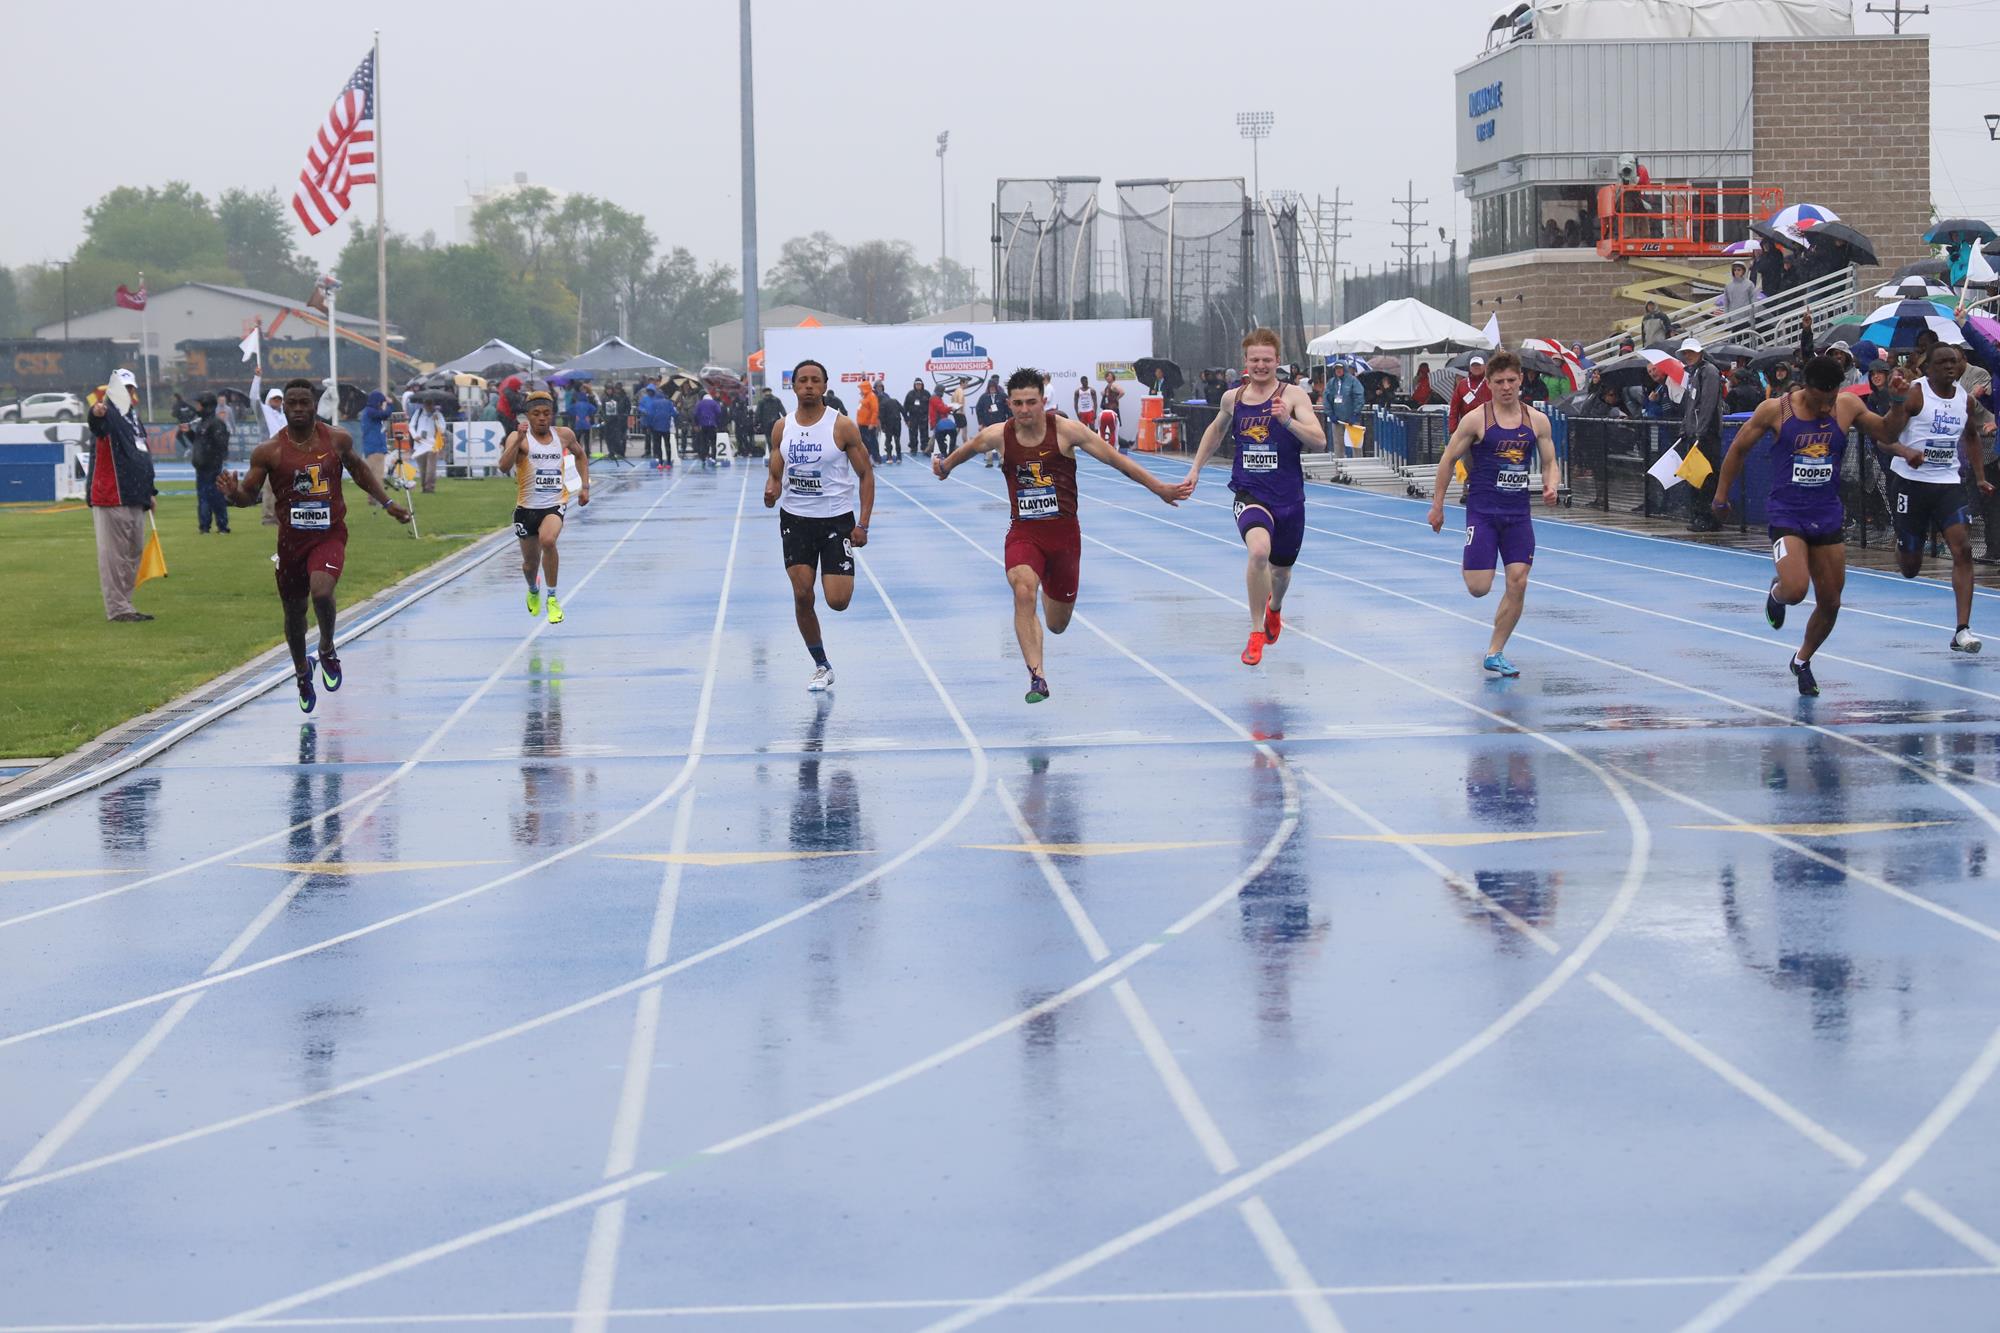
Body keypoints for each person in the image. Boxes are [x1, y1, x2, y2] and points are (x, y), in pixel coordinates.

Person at [933, 368, 1185, 703]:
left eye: (1031, 402)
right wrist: (946, 467)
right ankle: (1037, 676)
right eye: (1018, 403)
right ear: (1009, 403)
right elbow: (972, 447)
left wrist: (1160, 489)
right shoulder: (999, 435)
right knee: (1023, 589)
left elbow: (1116, 461)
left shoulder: (1066, 432)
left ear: (1044, 401)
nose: (1024, 410)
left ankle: (1050, 622)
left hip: (1064, 539)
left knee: (1057, 624)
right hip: (1024, 533)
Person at [1715, 355, 1921, 695]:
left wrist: (1898, 403)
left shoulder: (1847, 405)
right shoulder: (1775, 410)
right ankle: (1776, 593)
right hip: (1787, 514)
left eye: (1832, 398)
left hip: (1826, 513)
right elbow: (1737, 450)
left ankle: (1802, 660)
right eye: (1821, 400)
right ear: (1805, 389)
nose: (1828, 407)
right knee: (1796, 590)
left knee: (1831, 603)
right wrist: (1721, 496)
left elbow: (1886, 431)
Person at [217, 379, 411, 712]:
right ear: (284, 406)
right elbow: (248, 495)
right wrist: (234, 495)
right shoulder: (269, 451)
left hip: (328, 534)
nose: (297, 409)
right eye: (291, 403)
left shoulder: (336, 440)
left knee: (321, 591)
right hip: (292, 542)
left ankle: (326, 646)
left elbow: (361, 471)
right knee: (294, 614)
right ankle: (301, 671)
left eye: (303, 402)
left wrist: (387, 502)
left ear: (314, 404)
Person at [1179, 328, 1327, 665]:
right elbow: (1215, 431)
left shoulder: (1292, 397)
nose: (1261, 365)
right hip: (1250, 491)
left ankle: (1274, 608)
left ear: (1277, 361)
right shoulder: (1234, 398)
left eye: (1267, 360)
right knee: (1258, 552)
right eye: (1254, 360)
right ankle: (1256, 631)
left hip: (1288, 497)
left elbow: (1319, 441)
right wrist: (1195, 469)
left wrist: (1287, 422)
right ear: (1245, 362)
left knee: (1281, 573)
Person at [1425, 350, 1559, 677]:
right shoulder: (1476, 419)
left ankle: (1495, 651)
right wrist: (1438, 505)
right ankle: (1475, 557)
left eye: (1512, 380)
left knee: (1518, 581)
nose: (1506, 387)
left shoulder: (1536, 421)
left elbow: (1549, 461)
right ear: (1489, 384)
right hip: (1483, 513)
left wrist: (1551, 485)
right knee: (1479, 587)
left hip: (1517, 516)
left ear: (1520, 380)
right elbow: (1447, 461)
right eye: (1499, 382)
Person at [765, 359, 874, 692]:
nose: (809, 385)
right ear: (794, 386)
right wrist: (772, 489)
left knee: (838, 602)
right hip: (795, 520)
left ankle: (837, 581)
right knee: (801, 595)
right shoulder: (782, 428)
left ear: (824, 386)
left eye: (815, 380)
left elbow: (866, 474)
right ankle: (821, 664)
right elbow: (775, 471)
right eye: (803, 380)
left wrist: (863, 524)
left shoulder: (841, 427)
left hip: (835, 521)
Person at [1879, 342, 1989, 651]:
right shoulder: (1915, 394)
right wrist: (1906, 451)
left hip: (1947, 483)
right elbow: (1885, 437)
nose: (1949, 367)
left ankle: (1962, 629)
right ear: (1929, 368)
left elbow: (1971, 436)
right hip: (1910, 483)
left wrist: (1980, 478)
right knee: (1911, 567)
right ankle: (1905, 542)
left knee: (1963, 549)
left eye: (1953, 362)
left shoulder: (1964, 401)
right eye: (1942, 363)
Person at [500, 388, 592, 625]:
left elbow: (581, 456)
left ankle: (552, 598)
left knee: (548, 540)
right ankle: (533, 588)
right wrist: (518, 441)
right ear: (528, 416)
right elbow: (503, 466)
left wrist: (584, 486)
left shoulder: (564, 435)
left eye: (547, 413)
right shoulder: (517, 437)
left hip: (554, 504)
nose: (542, 418)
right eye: (537, 414)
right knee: (530, 565)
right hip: (525, 509)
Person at [85, 369, 160, 622]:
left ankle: (125, 603)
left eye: (130, 388)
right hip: (112, 494)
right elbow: (96, 423)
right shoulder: (108, 413)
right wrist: (94, 414)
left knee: (133, 551)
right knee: (114, 555)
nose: (126, 393)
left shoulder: (133, 419)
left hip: (135, 494)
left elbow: (142, 457)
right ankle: (117, 608)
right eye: (122, 388)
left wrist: (150, 492)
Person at [1679, 337, 1724, 531]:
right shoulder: (1694, 373)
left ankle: (1709, 517)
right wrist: (1685, 427)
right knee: (1695, 477)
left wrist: (1701, 430)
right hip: (1696, 433)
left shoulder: (1709, 372)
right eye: (1685, 353)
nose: (1687, 356)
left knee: (1707, 478)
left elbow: (1708, 403)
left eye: (1690, 352)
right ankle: (1699, 515)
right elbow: (1690, 405)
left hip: (1706, 434)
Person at [189, 391, 232, 535]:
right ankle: (204, 526)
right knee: (204, 498)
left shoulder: (215, 423)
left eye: (199, 405)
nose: (197, 408)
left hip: (212, 468)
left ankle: (222, 526)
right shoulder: (203, 423)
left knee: (215, 497)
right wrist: (189, 433)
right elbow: (199, 443)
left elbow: (221, 445)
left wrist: (215, 461)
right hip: (202, 468)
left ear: (206, 406)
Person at [408, 394, 447, 493]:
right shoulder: (419, 412)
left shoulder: (438, 414)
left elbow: (442, 430)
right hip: (419, 444)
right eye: (427, 404)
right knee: (422, 468)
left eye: (430, 404)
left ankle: (430, 487)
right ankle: (424, 487)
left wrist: (436, 421)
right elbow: (411, 426)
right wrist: (414, 435)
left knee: (431, 468)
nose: (428, 406)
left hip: (432, 444)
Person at [1445, 355, 1489, 434]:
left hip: (1487, 426)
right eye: (1473, 365)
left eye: (1478, 365)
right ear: (1469, 367)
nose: (1476, 367)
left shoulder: (1490, 382)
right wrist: (1452, 429)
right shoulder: (1462, 384)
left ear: (1484, 366)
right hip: (1467, 427)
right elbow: (1454, 408)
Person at [1324, 361, 1364, 448]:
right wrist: (1330, 414)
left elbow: (1359, 397)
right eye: (1336, 368)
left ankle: (1357, 461)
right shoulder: (1331, 383)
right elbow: (1326, 398)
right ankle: (1339, 461)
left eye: (1340, 368)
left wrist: (1355, 414)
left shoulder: (1353, 381)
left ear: (1345, 369)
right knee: (1338, 444)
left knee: (1355, 444)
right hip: (1337, 419)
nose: (1338, 370)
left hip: (1353, 419)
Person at [973, 375, 1008, 467]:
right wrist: (981, 423)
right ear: (988, 388)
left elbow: (1009, 407)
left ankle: (1002, 461)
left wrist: (1009, 419)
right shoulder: (983, 397)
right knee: (988, 442)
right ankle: (989, 461)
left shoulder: (1002, 396)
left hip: (1000, 423)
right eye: (990, 387)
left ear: (996, 387)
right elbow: (978, 409)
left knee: (1000, 442)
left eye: (993, 387)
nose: (992, 389)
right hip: (987, 423)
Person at [601, 381, 631, 459]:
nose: (609, 391)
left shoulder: (617, 398)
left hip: (616, 421)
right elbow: (602, 410)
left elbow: (623, 408)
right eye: (607, 389)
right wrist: (604, 418)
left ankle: (619, 452)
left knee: (618, 438)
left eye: (610, 389)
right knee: (608, 438)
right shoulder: (604, 398)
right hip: (608, 421)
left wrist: (622, 416)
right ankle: (611, 452)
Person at [694, 388, 724, 466]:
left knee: (704, 442)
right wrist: (717, 422)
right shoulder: (714, 403)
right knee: (713, 442)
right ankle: (713, 458)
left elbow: (696, 414)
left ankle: (704, 457)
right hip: (712, 425)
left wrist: (697, 424)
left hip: (703, 425)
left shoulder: (699, 404)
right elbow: (719, 412)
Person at [855, 378, 883, 462]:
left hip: (868, 425)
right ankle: (868, 458)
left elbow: (875, 411)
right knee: (865, 443)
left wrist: (872, 423)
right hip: (862, 425)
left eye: (861, 388)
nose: (860, 390)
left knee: (871, 443)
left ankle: (876, 459)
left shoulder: (871, 396)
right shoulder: (865, 397)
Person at [876, 382, 904, 462]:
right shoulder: (894, 400)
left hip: (889, 424)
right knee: (897, 440)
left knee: (888, 440)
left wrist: (883, 427)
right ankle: (899, 457)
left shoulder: (882, 404)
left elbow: (881, 417)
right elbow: (902, 410)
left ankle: (889, 457)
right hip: (897, 422)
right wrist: (907, 419)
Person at [902, 378, 932, 456]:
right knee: (912, 434)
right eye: (917, 384)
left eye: (920, 384)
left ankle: (925, 449)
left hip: (924, 418)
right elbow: (905, 408)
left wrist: (931, 417)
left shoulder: (927, 394)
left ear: (922, 385)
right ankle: (913, 449)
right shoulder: (910, 394)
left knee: (924, 434)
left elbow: (931, 406)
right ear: (915, 385)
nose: (918, 386)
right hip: (913, 418)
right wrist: (906, 419)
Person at [931, 386, 963, 456]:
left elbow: (942, 408)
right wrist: (951, 408)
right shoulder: (935, 399)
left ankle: (946, 452)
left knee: (939, 438)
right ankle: (947, 453)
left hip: (940, 422)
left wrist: (949, 409)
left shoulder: (936, 398)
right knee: (942, 438)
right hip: (939, 422)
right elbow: (941, 409)